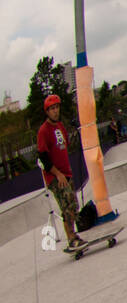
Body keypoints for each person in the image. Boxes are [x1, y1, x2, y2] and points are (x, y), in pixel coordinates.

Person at [36, 94, 87, 250]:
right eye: (52, 109)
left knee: (73, 205)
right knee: (67, 206)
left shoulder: (60, 126)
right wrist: (57, 174)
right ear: (47, 111)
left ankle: (74, 235)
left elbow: (63, 147)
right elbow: (43, 158)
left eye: (57, 107)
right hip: (55, 176)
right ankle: (71, 239)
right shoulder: (44, 131)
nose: (55, 111)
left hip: (67, 173)